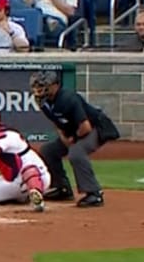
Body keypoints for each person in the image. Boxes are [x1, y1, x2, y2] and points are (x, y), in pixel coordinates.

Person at [30, 68, 121, 207]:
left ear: (55, 85)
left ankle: (94, 193)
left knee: (76, 153)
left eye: (43, 86)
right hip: (74, 130)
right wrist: (64, 138)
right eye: (37, 86)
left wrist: (73, 139)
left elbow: (86, 126)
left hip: (97, 127)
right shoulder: (44, 102)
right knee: (48, 151)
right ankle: (62, 188)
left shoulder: (68, 98)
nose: (39, 90)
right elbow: (56, 122)